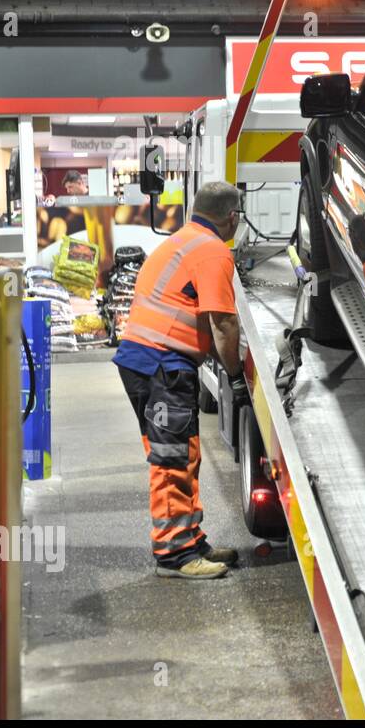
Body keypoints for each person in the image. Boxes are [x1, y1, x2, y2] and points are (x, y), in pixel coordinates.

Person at [115, 182, 248, 580]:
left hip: (151, 361)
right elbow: (223, 323)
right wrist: (236, 377)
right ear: (232, 218)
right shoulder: (213, 251)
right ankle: (174, 556)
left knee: (183, 453)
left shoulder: (181, 241)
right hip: (161, 364)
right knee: (171, 460)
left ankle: (190, 540)